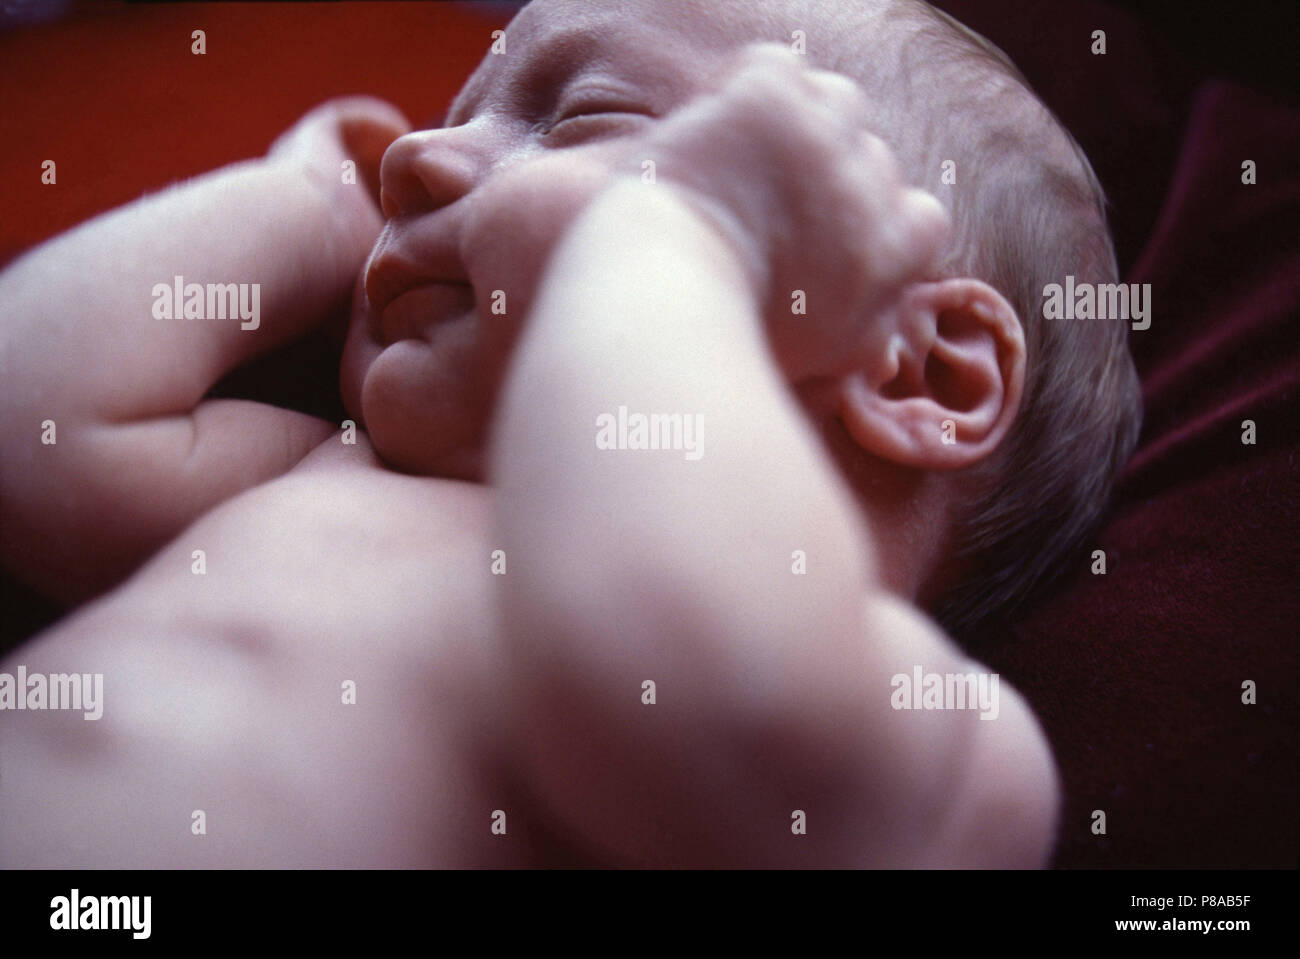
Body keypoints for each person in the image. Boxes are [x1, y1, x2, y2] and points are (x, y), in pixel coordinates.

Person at [0, 0, 1141, 866]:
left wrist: (683, 227)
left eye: (587, 119)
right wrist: (306, 208)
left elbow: (659, 673)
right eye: (454, 125)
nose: (417, 160)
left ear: (914, 367)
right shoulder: (332, 472)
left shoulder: (929, 736)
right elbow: (34, 431)